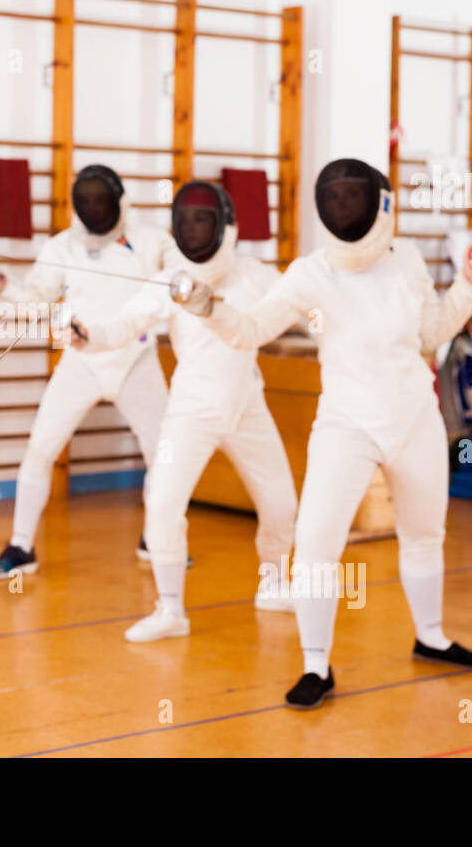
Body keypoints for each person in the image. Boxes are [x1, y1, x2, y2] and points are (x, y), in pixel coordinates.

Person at [202, 157, 472, 709]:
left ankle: (431, 637)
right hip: (346, 425)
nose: (343, 207)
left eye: (351, 197)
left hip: (414, 418)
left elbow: (431, 334)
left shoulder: (405, 258)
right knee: (314, 544)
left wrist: (469, 286)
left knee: (424, 533)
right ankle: (316, 666)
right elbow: (248, 331)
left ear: (380, 204)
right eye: (334, 200)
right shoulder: (310, 273)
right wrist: (207, 308)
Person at [67, 181, 299, 642]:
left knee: (282, 502)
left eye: (203, 219)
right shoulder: (169, 280)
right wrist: (88, 334)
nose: (193, 228)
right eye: (186, 219)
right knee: (164, 501)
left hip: (247, 404)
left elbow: (290, 313)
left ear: (226, 227)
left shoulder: (255, 274)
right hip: (191, 407)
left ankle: (274, 584)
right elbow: (128, 324)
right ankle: (170, 609)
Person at [0, 165, 174, 579]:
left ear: (120, 201)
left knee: (164, 455)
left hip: (136, 358)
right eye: (87, 202)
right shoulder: (62, 246)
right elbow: (35, 302)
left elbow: (174, 284)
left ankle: (156, 538)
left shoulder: (154, 242)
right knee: (41, 448)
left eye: (102, 200)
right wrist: (0, 286)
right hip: (80, 359)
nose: (95, 208)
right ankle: (21, 546)